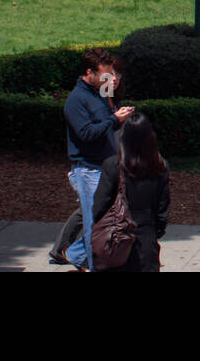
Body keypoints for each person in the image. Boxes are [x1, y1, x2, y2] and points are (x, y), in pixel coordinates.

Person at [63, 48, 134, 271]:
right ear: (89, 73)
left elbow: (108, 117)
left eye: (111, 75)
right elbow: (87, 134)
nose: (109, 80)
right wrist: (114, 120)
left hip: (107, 166)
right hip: (88, 170)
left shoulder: (100, 92)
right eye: (104, 75)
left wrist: (118, 115)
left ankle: (75, 253)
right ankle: (91, 264)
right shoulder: (75, 101)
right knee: (95, 226)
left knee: (110, 220)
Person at [91, 112, 170, 272]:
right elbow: (163, 208)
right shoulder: (160, 166)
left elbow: (99, 206)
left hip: (117, 240)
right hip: (147, 238)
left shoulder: (113, 165)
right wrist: (155, 230)